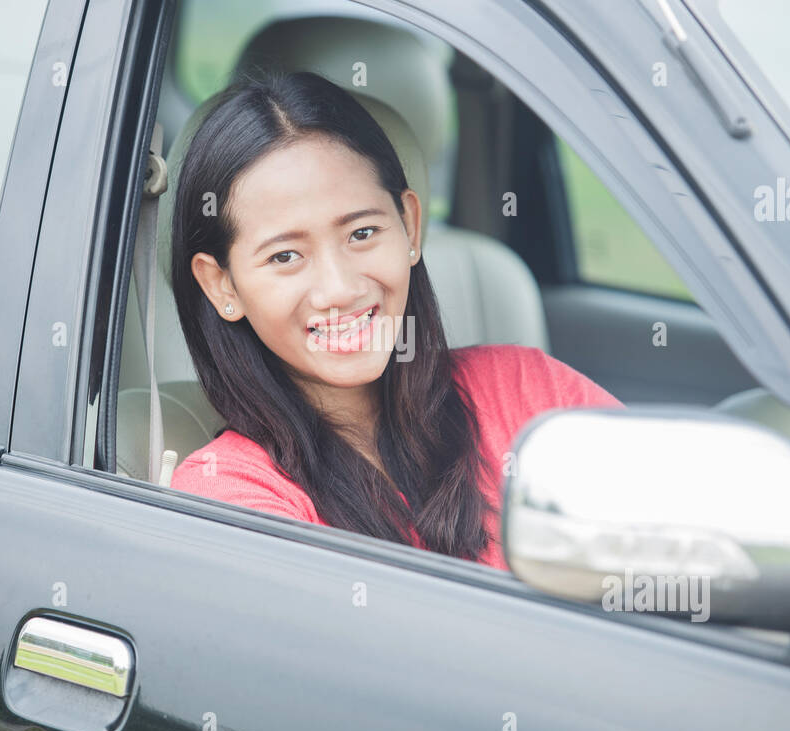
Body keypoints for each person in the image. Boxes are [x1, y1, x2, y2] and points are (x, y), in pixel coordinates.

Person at [167, 70, 622, 571]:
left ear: (408, 225)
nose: (339, 288)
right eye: (285, 257)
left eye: (362, 232)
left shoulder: (529, 393)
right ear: (221, 285)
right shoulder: (230, 495)